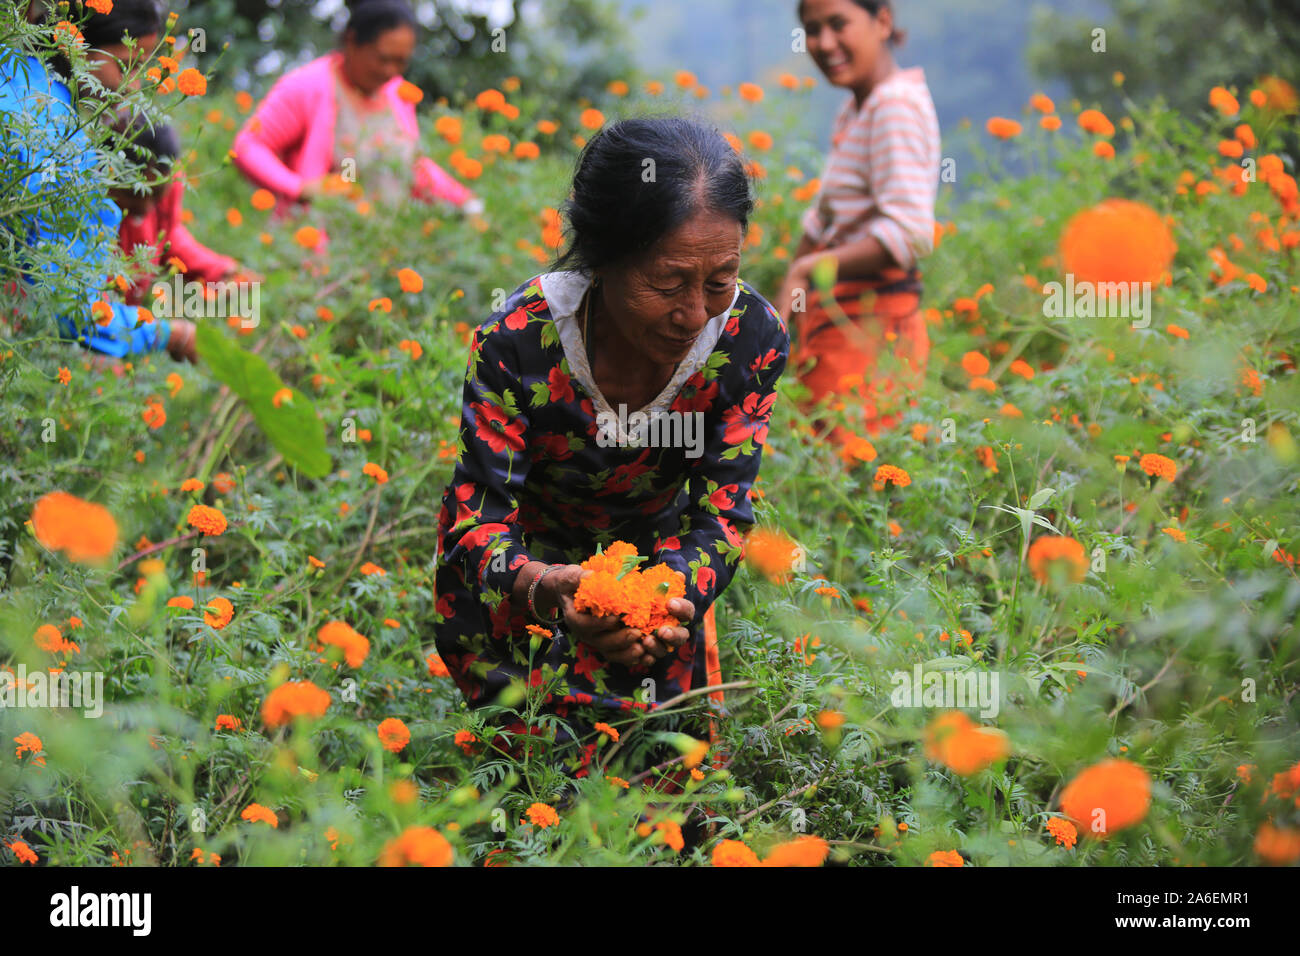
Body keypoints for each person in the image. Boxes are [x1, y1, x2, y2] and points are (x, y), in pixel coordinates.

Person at [434, 117, 789, 783]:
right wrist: (551, 591)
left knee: (659, 798)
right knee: (528, 789)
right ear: (602, 259)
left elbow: (724, 517)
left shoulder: (749, 338)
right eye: (668, 282)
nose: (694, 313)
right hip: (524, 580)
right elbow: (475, 522)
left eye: (720, 279)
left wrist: (664, 598)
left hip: (656, 583)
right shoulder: (518, 342)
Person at [775, 0, 939, 441]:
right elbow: (824, 218)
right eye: (812, 30)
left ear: (882, 20)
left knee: (851, 471)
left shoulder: (894, 107)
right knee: (822, 464)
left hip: (871, 326)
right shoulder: (858, 109)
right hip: (837, 322)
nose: (824, 43)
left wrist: (808, 270)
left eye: (838, 24)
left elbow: (911, 232)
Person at [1, 0, 196, 361]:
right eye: (128, 66)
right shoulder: (60, 142)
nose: (133, 86)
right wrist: (169, 333)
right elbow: (71, 309)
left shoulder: (8, 67)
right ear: (78, 42)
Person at [232, 0, 480, 211]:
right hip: (316, 251)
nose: (390, 71)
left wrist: (467, 202)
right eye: (383, 59)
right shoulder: (307, 86)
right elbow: (248, 146)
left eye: (401, 62)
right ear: (352, 41)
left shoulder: (397, 93)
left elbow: (412, 165)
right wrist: (299, 188)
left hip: (379, 247)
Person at [111, 114, 253, 305]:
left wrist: (216, 270)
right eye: (135, 193)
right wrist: (167, 333)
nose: (146, 208)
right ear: (108, 172)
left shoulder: (169, 179)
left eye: (156, 195)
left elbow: (168, 233)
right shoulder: (85, 206)